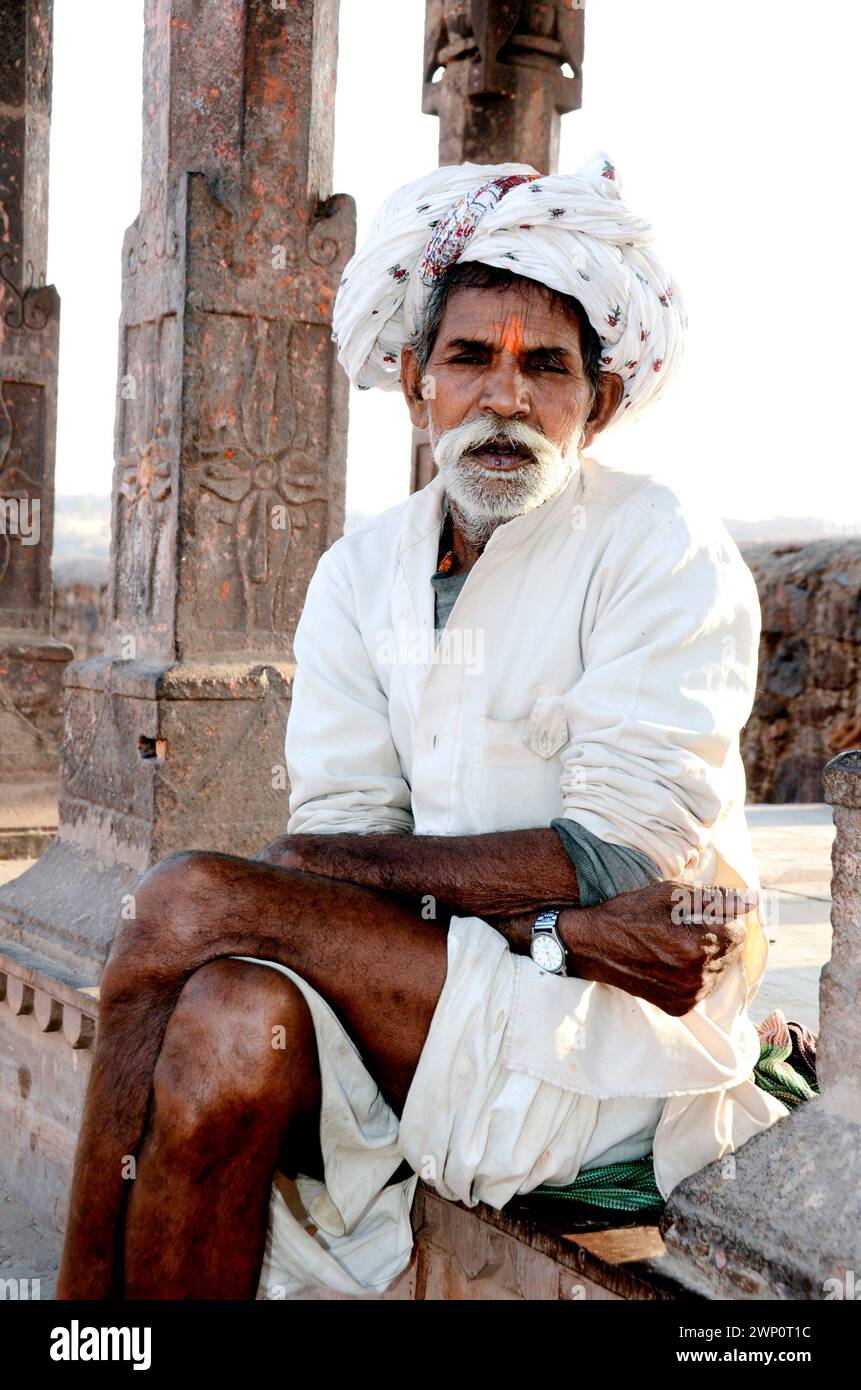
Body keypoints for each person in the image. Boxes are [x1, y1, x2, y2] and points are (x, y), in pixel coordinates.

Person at [57, 153, 785, 1301]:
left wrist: (309, 874)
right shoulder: (361, 574)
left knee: (193, 898)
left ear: (594, 403)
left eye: (545, 366)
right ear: (414, 385)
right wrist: (560, 927)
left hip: (606, 1040)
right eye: (469, 360)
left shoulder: (659, 547)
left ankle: (73, 1316)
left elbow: (622, 857)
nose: (506, 397)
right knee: (229, 1015)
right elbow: (374, 847)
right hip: (463, 985)